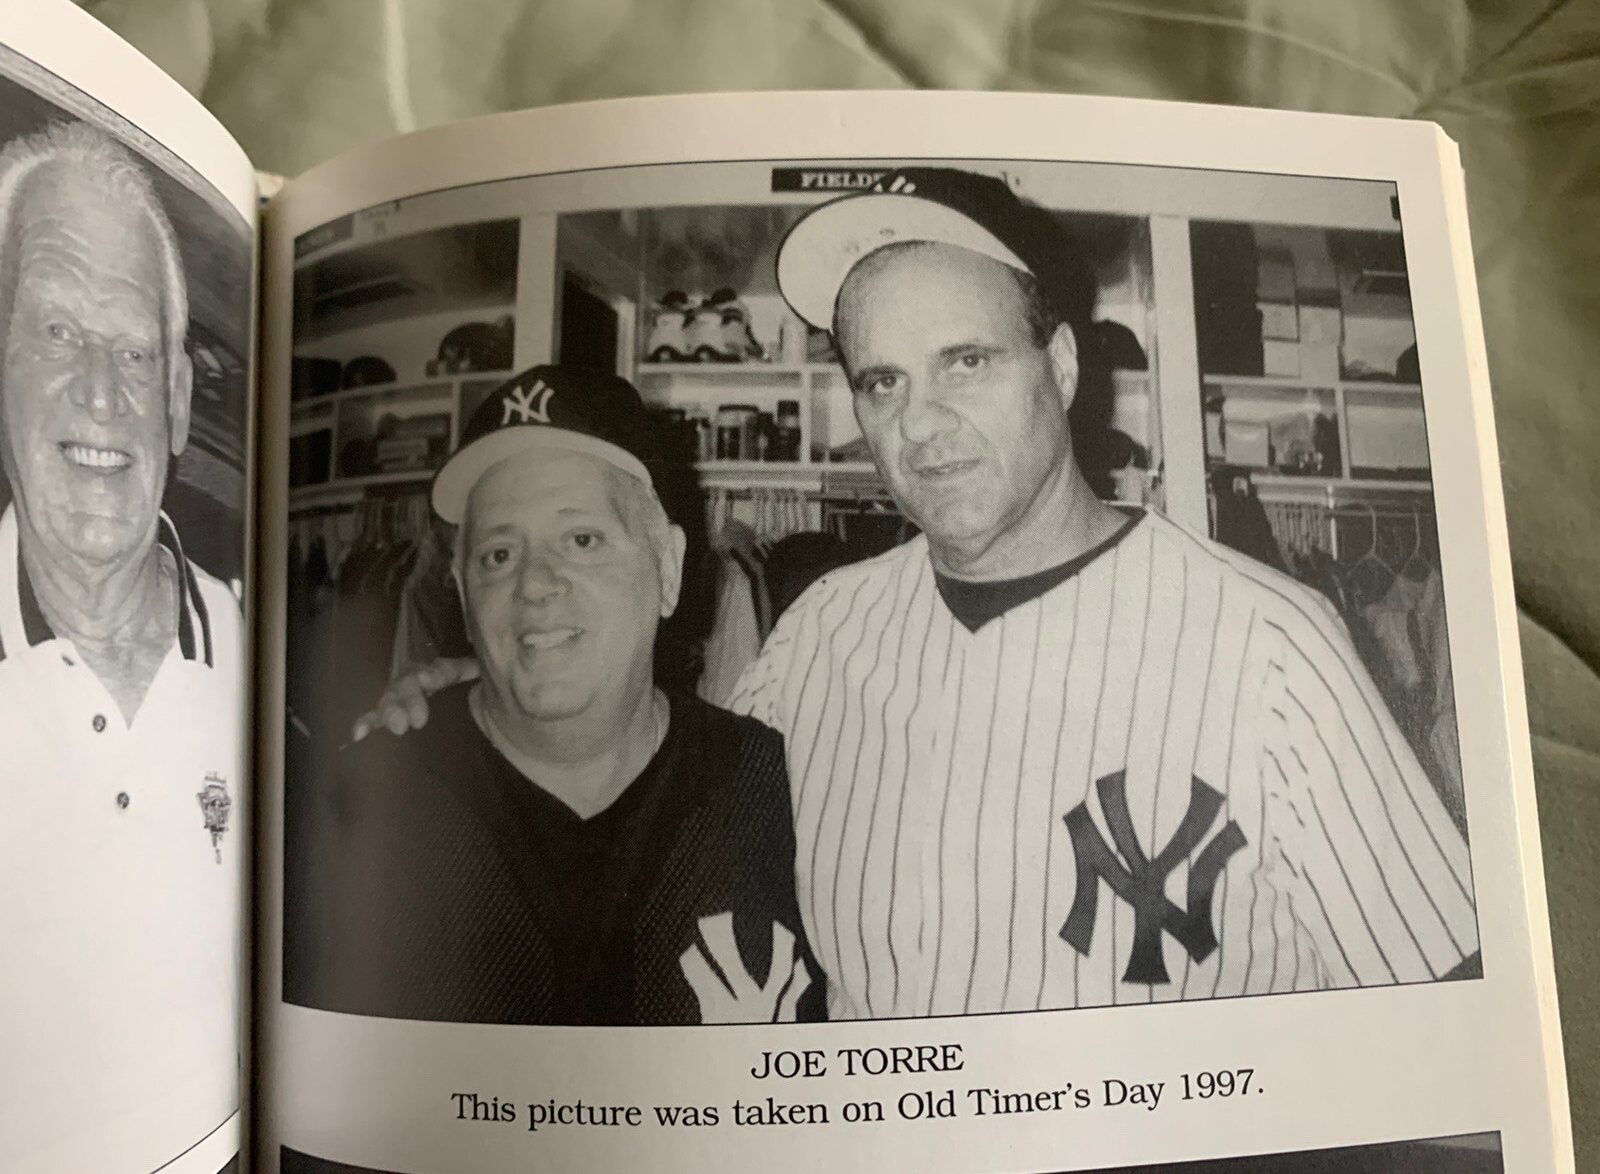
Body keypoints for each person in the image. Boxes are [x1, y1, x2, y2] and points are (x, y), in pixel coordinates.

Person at [359, 169, 1480, 1023]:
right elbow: (672, 770)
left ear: (1065, 369)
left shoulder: (1271, 644)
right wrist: (481, 694)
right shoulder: (823, 630)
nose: (920, 422)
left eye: (966, 363)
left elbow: (1442, 1004)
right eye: (882, 381)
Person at [291, 365, 822, 1025]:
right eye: (498, 555)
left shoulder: (782, 793)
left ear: (668, 569)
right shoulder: (355, 812)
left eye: (582, 540)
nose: (536, 585)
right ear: (460, 594)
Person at [0, 122, 245, 1171]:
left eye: (136, 349)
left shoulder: (265, 659)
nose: (102, 393)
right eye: (56, 332)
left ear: (180, 402)